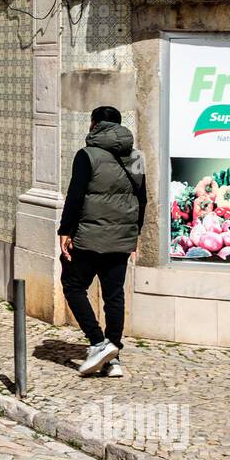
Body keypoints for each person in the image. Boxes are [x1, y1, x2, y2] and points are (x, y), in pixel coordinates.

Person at [59, 106, 147, 377]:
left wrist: (65, 230)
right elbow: (142, 199)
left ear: (94, 124)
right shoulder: (136, 156)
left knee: (73, 286)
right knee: (114, 295)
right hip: (122, 239)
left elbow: (76, 195)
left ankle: (98, 342)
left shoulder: (87, 155)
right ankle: (113, 357)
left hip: (89, 237)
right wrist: (136, 234)